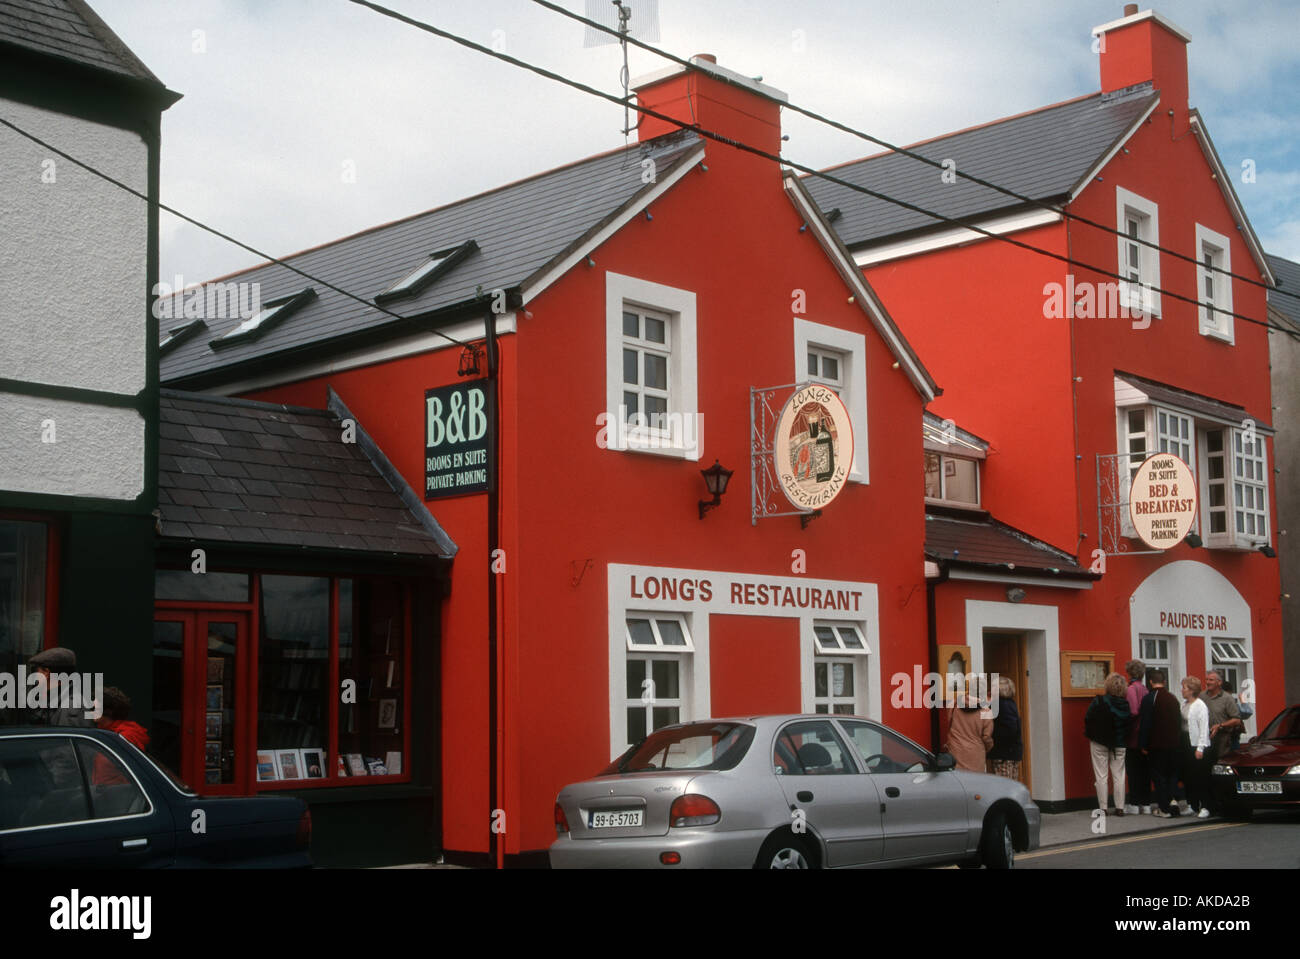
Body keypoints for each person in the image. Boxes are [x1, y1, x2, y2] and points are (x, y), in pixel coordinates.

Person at [1084, 672, 1131, 816]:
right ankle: (1120, 807)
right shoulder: (1125, 705)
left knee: (1101, 776)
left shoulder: (1099, 701)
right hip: (1119, 743)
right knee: (1119, 776)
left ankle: (1103, 808)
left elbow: (1088, 718)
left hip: (1100, 742)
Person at [1138, 669, 1182, 818]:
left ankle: (1164, 808)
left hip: (1157, 745)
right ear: (1164, 682)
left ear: (1150, 682)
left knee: (1159, 776)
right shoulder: (1173, 698)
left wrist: (1143, 744)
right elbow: (1178, 722)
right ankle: (1173, 802)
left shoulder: (1149, 699)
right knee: (1172, 775)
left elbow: (1145, 723)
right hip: (1174, 744)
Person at [92, 687, 150, 785]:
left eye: (95, 708)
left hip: (119, 790)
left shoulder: (126, 736)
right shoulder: (104, 732)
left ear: (108, 711)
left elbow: (134, 771)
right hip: (104, 789)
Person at [1180, 675, 1212, 818]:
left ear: (1192, 690)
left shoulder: (1200, 705)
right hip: (1185, 742)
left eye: (1184, 688)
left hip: (1197, 744)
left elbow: (1204, 728)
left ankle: (1205, 806)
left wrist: (1200, 748)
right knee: (1188, 776)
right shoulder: (1184, 704)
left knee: (1200, 777)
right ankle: (1192, 805)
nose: (1182, 690)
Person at [1122, 659, 1150, 814]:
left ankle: (1134, 803)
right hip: (1144, 735)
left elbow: (1133, 711)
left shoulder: (1131, 689)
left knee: (1133, 771)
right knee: (1144, 771)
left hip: (1134, 736)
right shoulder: (1144, 688)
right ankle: (1146, 803)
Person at [945, 687, 993, 772]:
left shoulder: (954, 705)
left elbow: (949, 722)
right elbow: (986, 737)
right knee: (975, 779)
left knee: (957, 778)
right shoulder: (986, 711)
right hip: (976, 755)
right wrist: (989, 747)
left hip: (955, 751)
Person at [987, 675, 1022, 780]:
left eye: (993, 687)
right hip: (1012, 752)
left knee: (1003, 784)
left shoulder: (999, 704)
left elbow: (1009, 729)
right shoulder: (1011, 703)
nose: (990, 689)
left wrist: (991, 739)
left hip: (1003, 754)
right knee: (1011, 783)